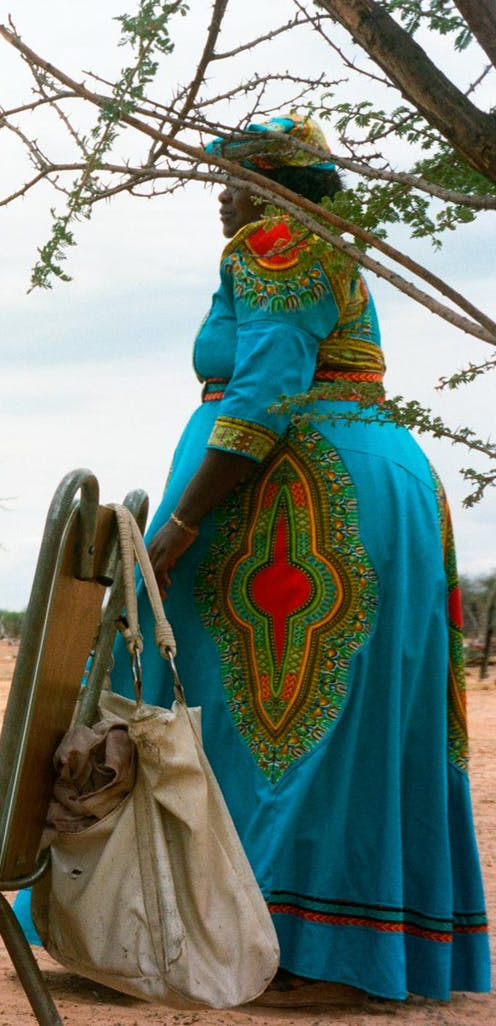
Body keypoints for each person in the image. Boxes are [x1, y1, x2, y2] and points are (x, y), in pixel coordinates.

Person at [127, 114, 488, 1005]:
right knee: (357, 714)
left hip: (302, 499)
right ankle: (339, 943)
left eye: (236, 177)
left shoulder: (277, 242)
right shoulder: (325, 247)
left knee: (259, 713)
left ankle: (283, 942)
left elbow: (268, 385)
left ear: (272, 184)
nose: (223, 195)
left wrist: (179, 524)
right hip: (355, 482)